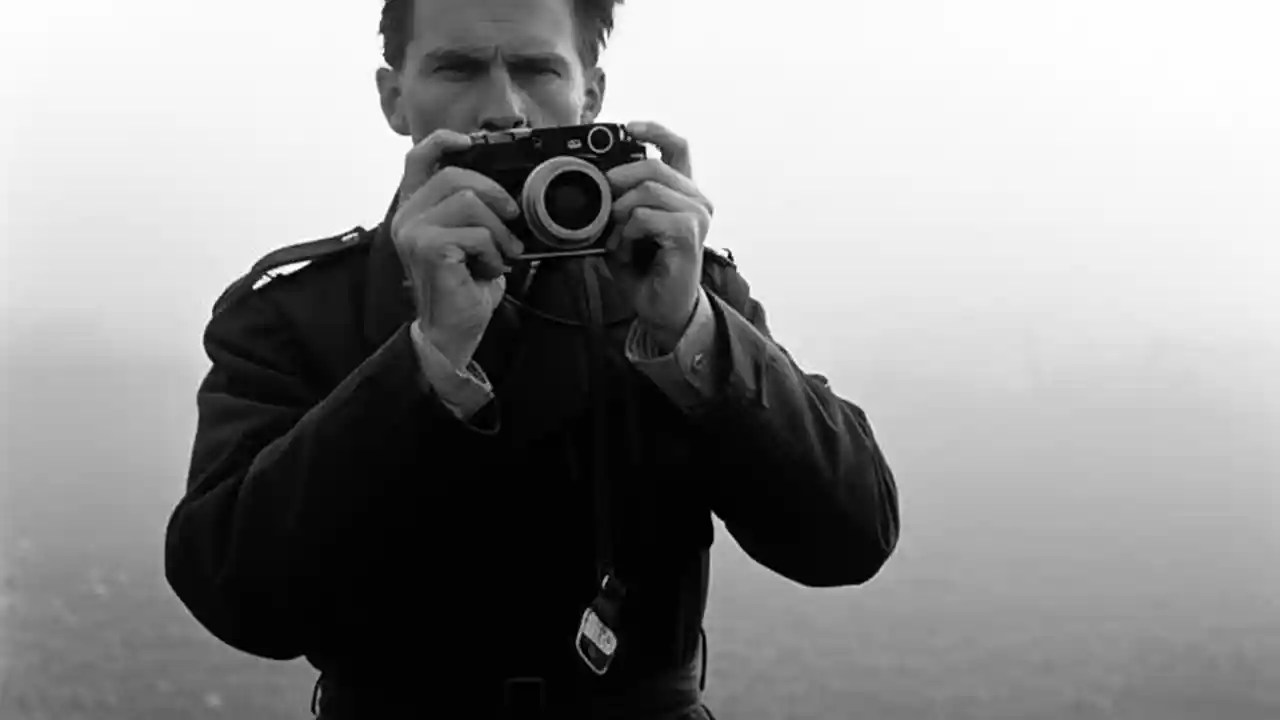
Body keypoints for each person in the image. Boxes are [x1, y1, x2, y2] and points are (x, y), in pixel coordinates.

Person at [163, 0, 901, 718]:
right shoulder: (295, 314)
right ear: (394, 98)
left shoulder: (677, 290)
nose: (504, 109)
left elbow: (850, 537)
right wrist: (426, 356)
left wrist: (691, 330)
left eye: (537, 69)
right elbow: (239, 594)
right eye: (456, 69)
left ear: (593, 95)